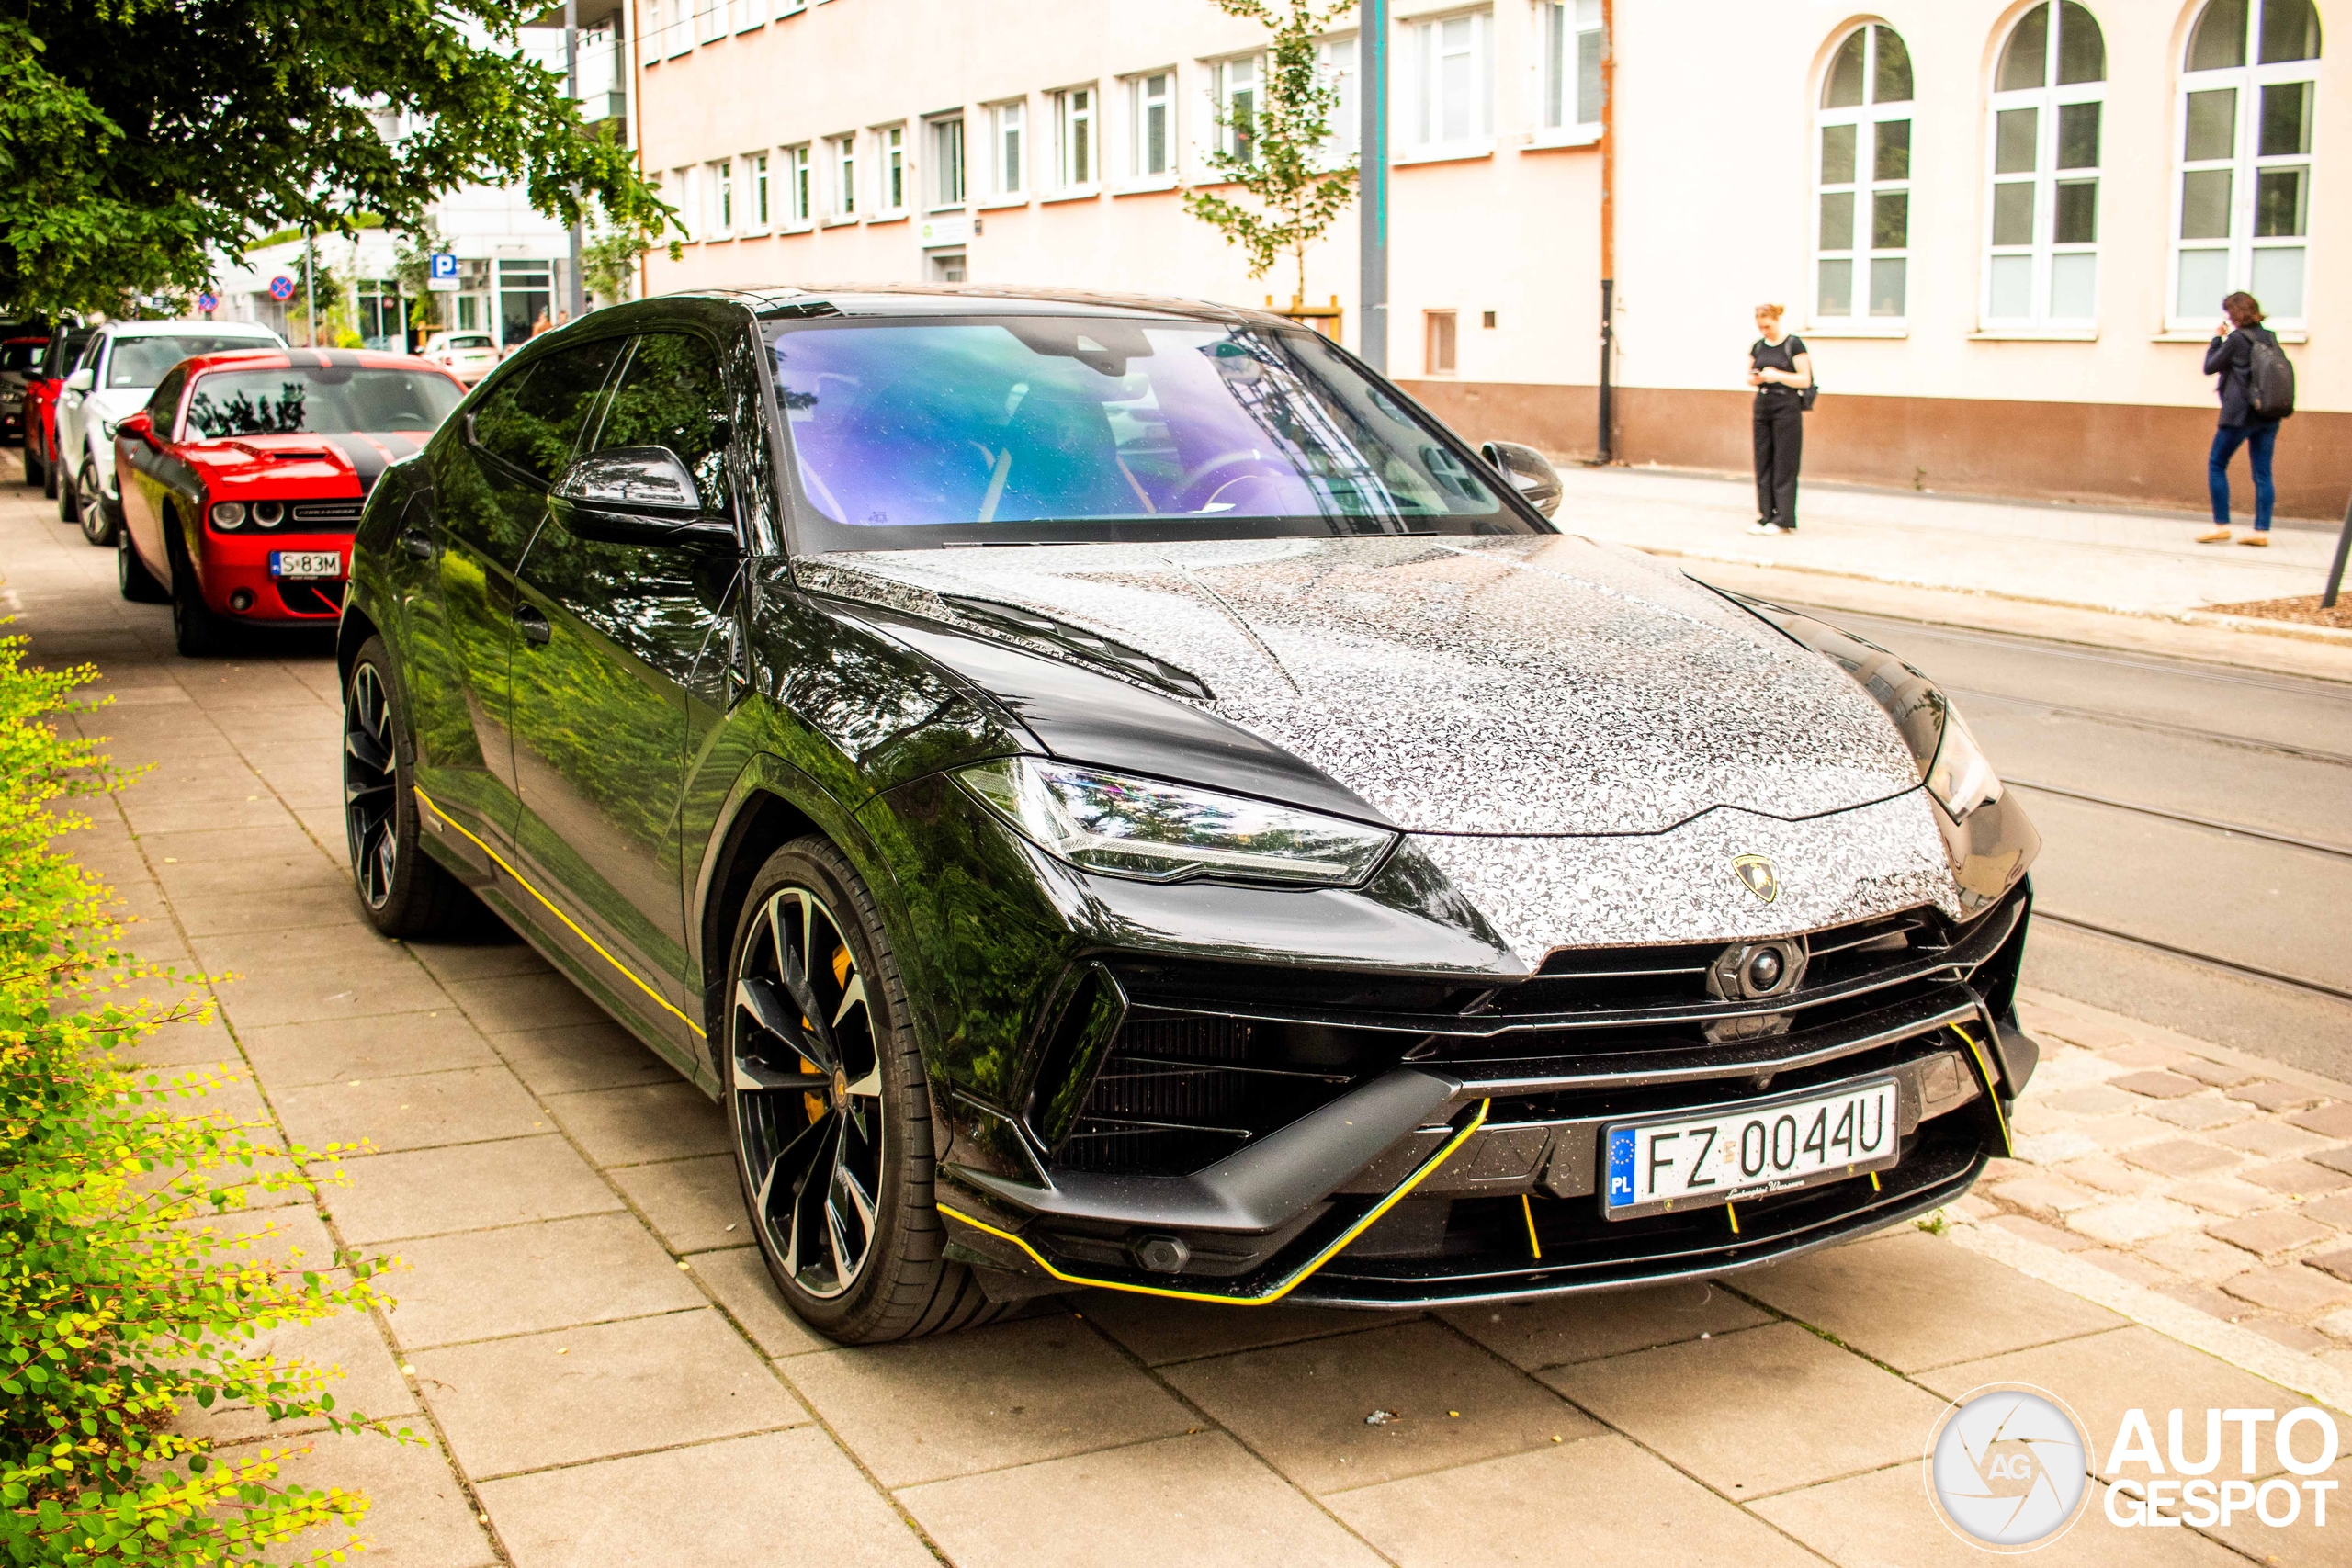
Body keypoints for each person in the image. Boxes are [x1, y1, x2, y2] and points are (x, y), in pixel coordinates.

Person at [2199, 292, 2283, 547]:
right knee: (2262, 472)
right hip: (2268, 413)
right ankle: (2261, 532)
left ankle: (2221, 526)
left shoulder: (2236, 339)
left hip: (2239, 414)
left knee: (2217, 463)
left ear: (2233, 314)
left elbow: (2210, 366)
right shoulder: (2269, 336)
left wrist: (2217, 339)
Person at [1746, 303, 1813, 534]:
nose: (1764, 331)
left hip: (1787, 405)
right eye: (1760, 327)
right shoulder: (1758, 346)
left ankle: (1783, 519)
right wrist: (1755, 379)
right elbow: (1749, 374)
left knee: (1785, 461)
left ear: (1776, 320)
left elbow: (1805, 379)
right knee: (1763, 460)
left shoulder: (1793, 344)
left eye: (1767, 326)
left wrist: (1777, 376)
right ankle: (1765, 515)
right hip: (1763, 404)